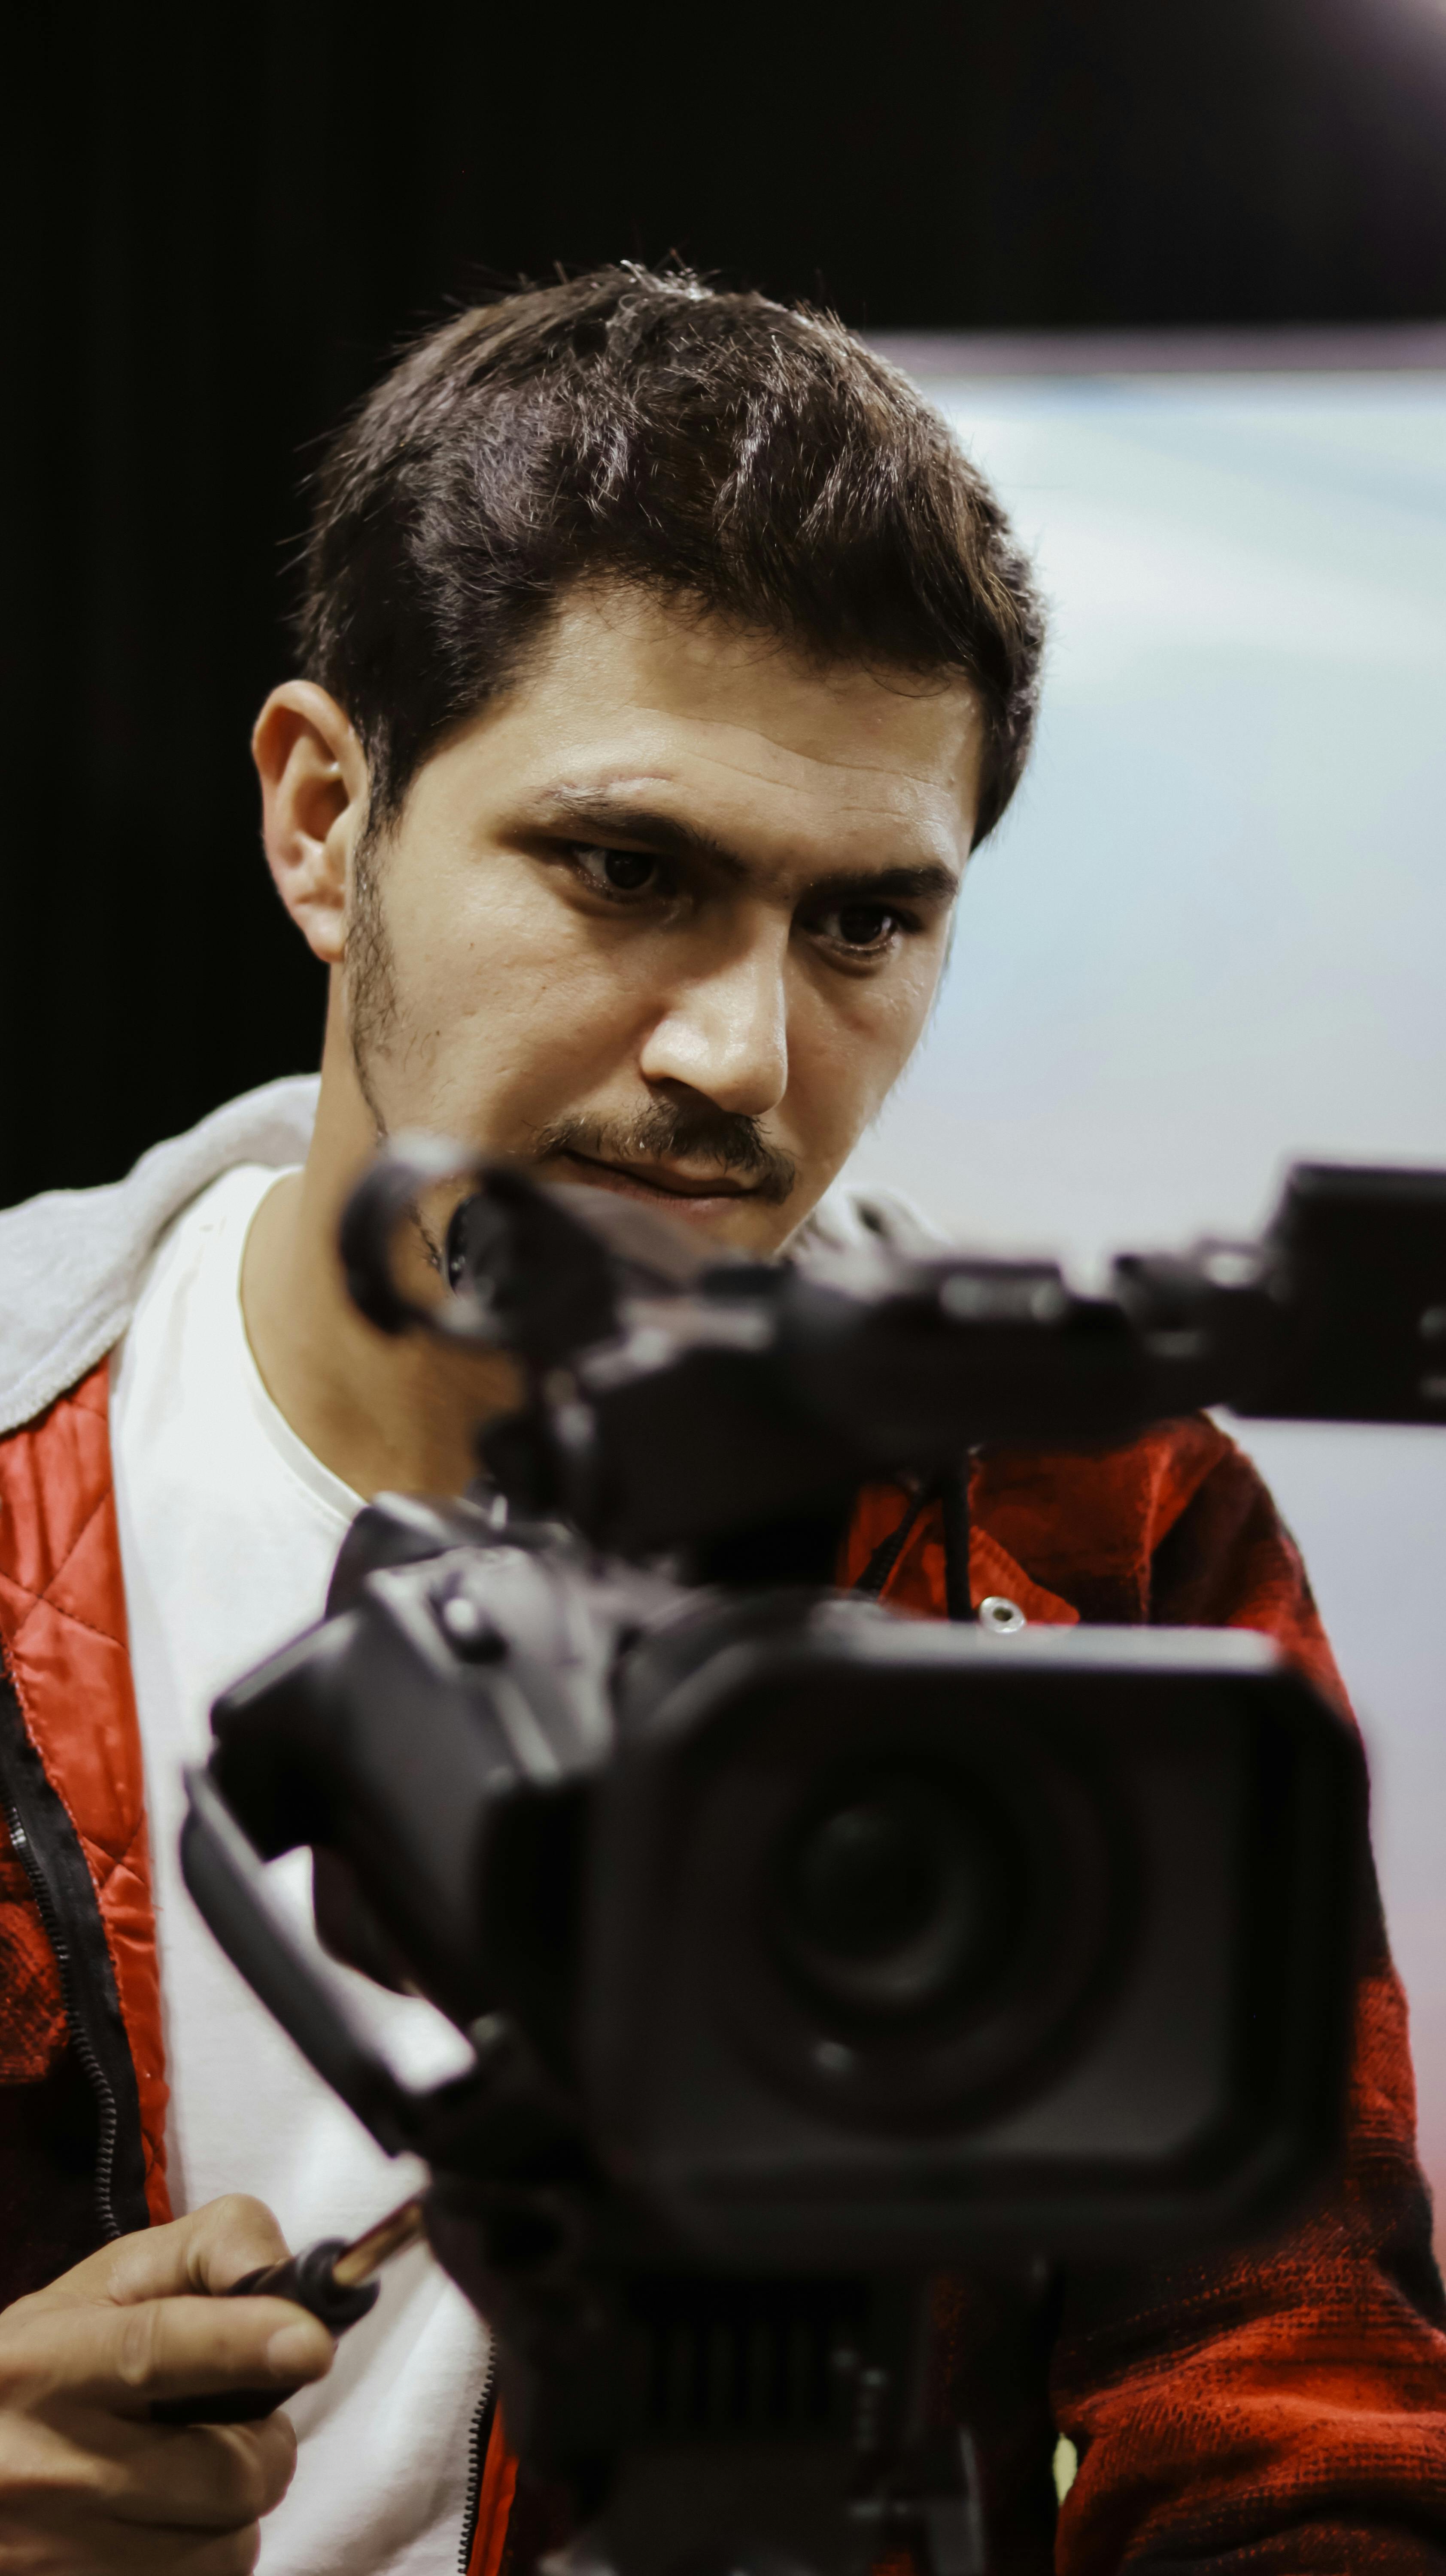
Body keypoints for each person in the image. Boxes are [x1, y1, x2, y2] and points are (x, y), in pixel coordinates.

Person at [0, 266, 1442, 2576]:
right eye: (626, 873)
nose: (739, 1061)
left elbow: (1292, 2418)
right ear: (319, 819)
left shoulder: (1094, 1532)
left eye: (864, 924)